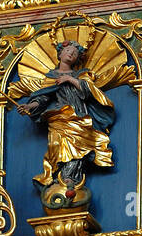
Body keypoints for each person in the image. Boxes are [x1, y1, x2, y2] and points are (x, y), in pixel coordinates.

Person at [16, 40, 115, 192]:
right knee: (56, 147)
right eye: (68, 50)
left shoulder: (81, 75)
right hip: (58, 117)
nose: (71, 53)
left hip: (79, 117)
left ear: (77, 59)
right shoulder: (51, 76)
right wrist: (29, 106)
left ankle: (70, 178)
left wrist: (69, 79)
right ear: (60, 53)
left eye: (75, 53)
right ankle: (57, 177)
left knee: (78, 149)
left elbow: (88, 91)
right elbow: (42, 98)